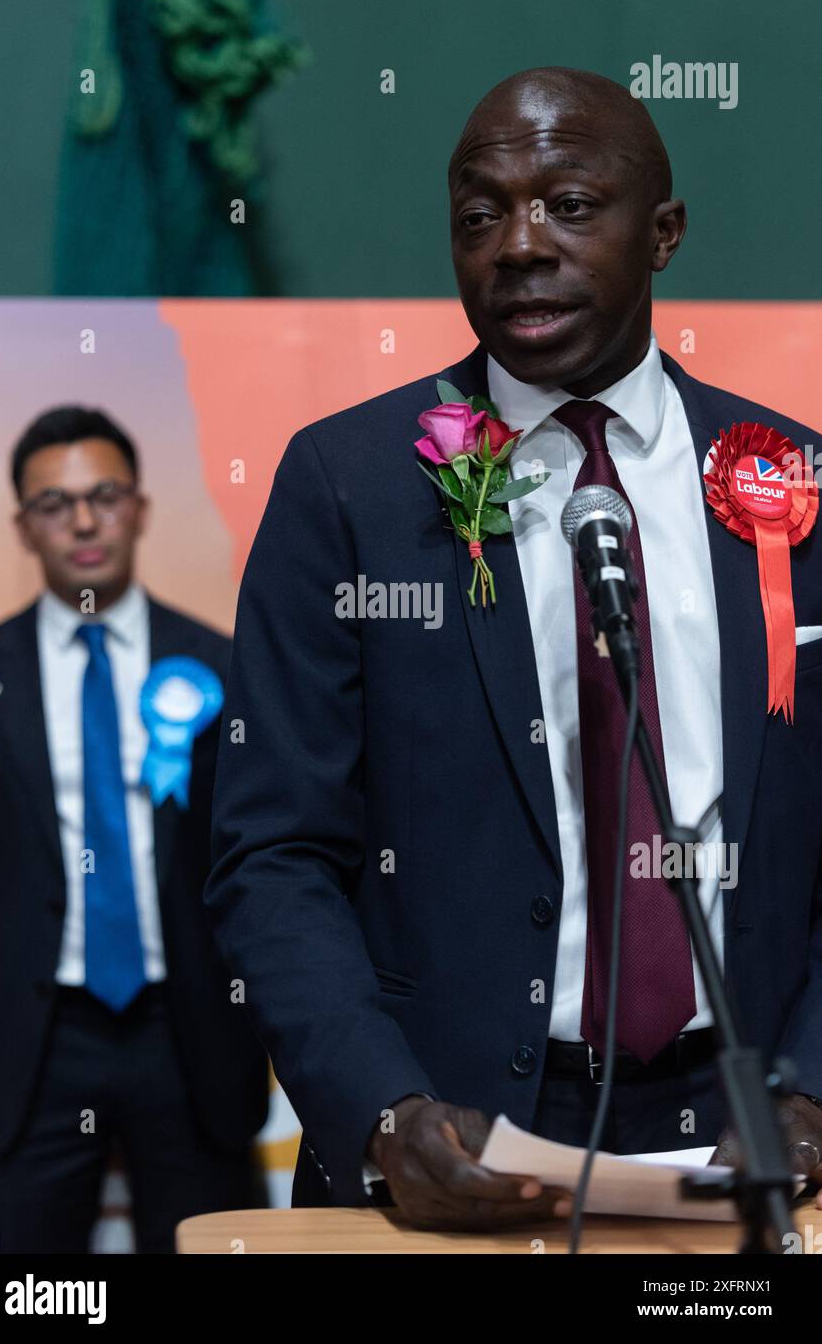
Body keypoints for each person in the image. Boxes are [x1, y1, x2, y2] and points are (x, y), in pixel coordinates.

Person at [207, 68, 822, 1231]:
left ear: (667, 234)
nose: (520, 246)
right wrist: (384, 1112)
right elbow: (270, 850)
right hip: (458, 1143)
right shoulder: (349, 485)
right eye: (480, 215)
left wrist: (814, 1088)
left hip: (752, 1131)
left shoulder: (793, 484)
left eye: (572, 206)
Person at [0, 406, 268, 1252]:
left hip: (193, 1037)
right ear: (23, 526)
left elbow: (263, 865)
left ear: (139, 508)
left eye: (104, 495)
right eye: (55, 505)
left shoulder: (224, 668)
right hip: (31, 1047)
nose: (84, 521)